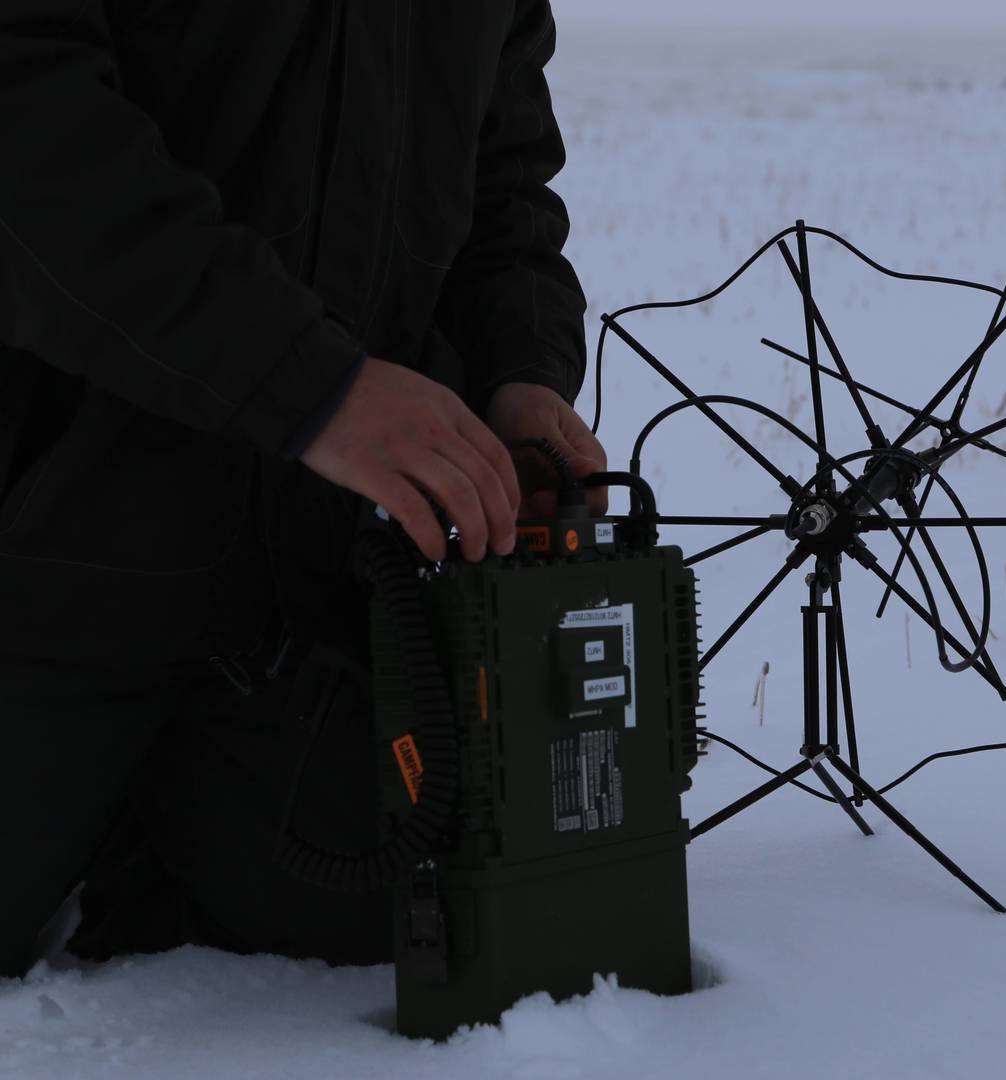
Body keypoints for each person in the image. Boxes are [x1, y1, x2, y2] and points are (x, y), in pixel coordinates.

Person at [0, 1, 604, 977]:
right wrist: (310, 387)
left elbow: (506, 174)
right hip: (52, 543)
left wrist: (521, 370)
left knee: (434, 915)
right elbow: (27, 137)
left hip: (330, 572)